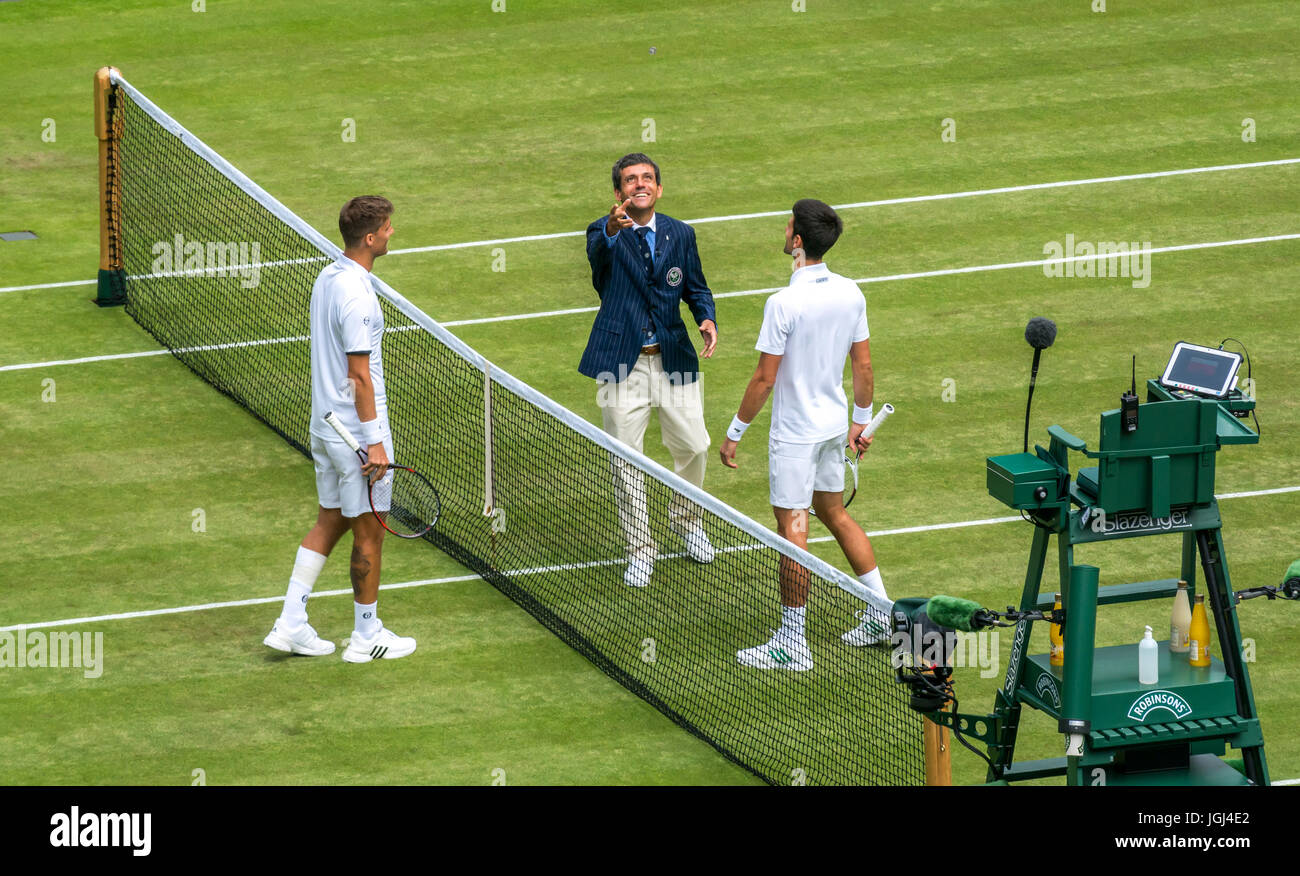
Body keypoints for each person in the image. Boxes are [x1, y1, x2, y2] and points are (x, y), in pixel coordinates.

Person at [719, 199, 890, 671]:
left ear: (797, 240)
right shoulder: (851, 292)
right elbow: (864, 364)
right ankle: (881, 614)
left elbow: (763, 380)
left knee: (793, 527)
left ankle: (792, 643)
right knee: (833, 512)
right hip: (835, 427)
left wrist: (734, 434)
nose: (785, 227)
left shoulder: (783, 303)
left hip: (795, 436)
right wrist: (861, 418)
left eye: (789, 223)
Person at [264, 195, 417, 663]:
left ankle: (290, 624)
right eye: (388, 228)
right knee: (370, 534)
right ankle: (365, 636)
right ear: (370, 238)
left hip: (325, 427)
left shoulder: (329, 277)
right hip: (355, 436)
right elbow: (359, 377)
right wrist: (374, 442)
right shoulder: (358, 297)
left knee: (330, 519)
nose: (392, 233)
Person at [580, 153, 719, 588]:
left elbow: (695, 285)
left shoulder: (681, 233)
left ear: (658, 189)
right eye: (629, 180)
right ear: (619, 193)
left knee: (695, 446)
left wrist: (706, 317)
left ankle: (688, 523)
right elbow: (598, 255)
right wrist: (610, 229)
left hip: (674, 359)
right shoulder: (604, 233)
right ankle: (640, 548)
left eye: (647, 179)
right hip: (621, 366)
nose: (639, 185)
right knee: (626, 461)